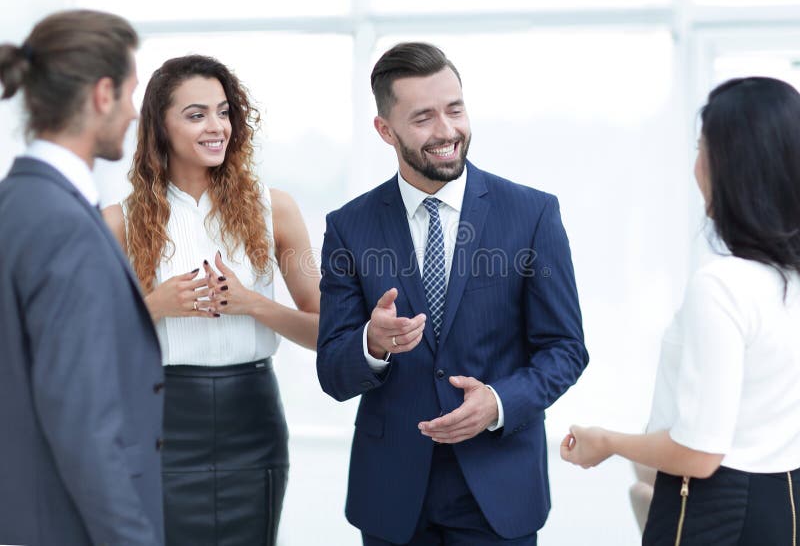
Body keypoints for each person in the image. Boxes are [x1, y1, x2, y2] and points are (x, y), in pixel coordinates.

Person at [316, 42, 588, 545]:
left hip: (499, 487)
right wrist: (371, 343)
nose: (446, 131)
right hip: (392, 495)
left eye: (455, 110)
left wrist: (498, 402)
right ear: (385, 130)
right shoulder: (349, 227)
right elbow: (332, 372)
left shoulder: (532, 214)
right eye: (423, 118)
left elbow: (566, 349)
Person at [561, 77, 800, 544]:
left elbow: (700, 453)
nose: (696, 167)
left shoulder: (722, 286)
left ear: (734, 167)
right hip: (785, 504)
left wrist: (606, 441)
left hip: (715, 510)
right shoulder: (787, 278)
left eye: (701, 149)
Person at [103, 54, 319, 546]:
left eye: (223, 112)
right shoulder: (118, 223)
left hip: (253, 424)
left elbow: (326, 330)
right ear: (161, 125)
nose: (216, 126)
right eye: (196, 114)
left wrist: (253, 304)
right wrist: (153, 306)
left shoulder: (277, 210)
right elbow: (86, 344)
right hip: (161, 426)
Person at [0, 10, 164, 545]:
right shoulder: (65, 225)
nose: (135, 113)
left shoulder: (15, 202)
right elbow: (84, 423)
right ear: (102, 94)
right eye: (131, 93)